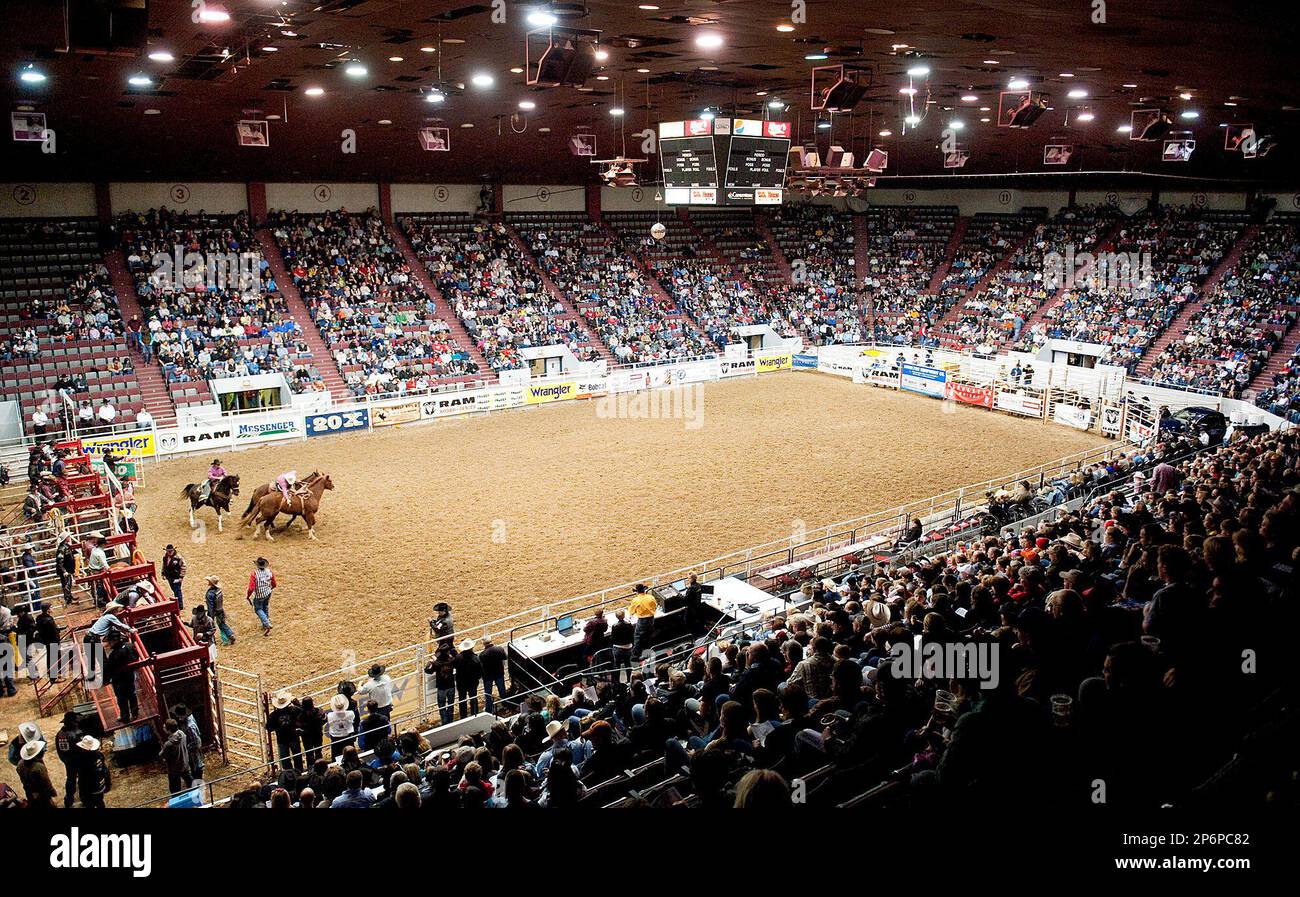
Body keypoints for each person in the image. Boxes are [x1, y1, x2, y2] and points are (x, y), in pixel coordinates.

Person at [103, 632, 139, 724]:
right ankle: (135, 713)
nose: (109, 643)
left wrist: (106, 679)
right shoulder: (129, 646)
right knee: (132, 695)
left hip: (119, 680)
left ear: (114, 641)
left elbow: (109, 669)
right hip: (130, 676)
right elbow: (136, 658)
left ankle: (125, 716)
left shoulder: (114, 654)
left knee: (122, 699)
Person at [267, 690, 303, 771]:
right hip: (293, 737)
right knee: (297, 757)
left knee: (285, 760)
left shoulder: (274, 715)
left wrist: (277, 728)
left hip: (282, 739)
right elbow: (303, 711)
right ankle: (299, 772)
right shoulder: (293, 710)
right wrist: (297, 703)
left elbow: (269, 727)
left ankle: (288, 775)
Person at [16, 739, 58, 809]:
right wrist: (52, 791)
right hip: (41, 794)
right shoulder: (38, 767)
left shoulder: (20, 763)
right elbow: (46, 782)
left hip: (28, 791)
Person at [54, 711, 81, 808]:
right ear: (71, 723)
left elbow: (60, 751)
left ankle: (69, 800)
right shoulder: (70, 735)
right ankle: (75, 798)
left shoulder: (60, 734)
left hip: (68, 761)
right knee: (77, 779)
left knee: (71, 779)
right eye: (75, 722)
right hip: (75, 761)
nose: (77, 723)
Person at [76, 735, 111, 808]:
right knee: (100, 802)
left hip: (89, 790)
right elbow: (105, 770)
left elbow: (82, 780)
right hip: (100, 786)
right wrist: (107, 784)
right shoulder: (99, 755)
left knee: (90, 805)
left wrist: (82, 794)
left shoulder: (82, 761)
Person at [160, 719, 192, 795]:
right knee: (189, 781)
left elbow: (162, 755)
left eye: (165, 727)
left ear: (169, 730)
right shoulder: (182, 734)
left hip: (174, 769)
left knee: (175, 789)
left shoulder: (168, 744)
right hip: (184, 763)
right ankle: (196, 795)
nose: (163, 727)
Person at [247, 557, 275, 635]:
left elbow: (251, 588)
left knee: (258, 609)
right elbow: (274, 583)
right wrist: (270, 588)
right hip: (268, 592)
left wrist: (248, 596)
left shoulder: (254, 574)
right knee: (265, 606)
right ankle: (266, 622)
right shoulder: (269, 571)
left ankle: (266, 623)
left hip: (259, 595)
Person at [454, 638, 482, 719]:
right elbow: (480, 671)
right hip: (472, 682)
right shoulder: (475, 658)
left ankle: (463, 716)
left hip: (461, 682)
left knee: (462, 699)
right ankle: (474, 713)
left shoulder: (458, 657)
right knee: (473, 698)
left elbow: (455, 666)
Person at [629, 583, 658, 660]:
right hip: (651, 619)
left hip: (642, 620)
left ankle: (635, 657)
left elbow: (631, 612)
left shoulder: (636, 600)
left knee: (638, 638)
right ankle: (647, 653)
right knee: (648, 636)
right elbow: (655, 606)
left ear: (637, 592)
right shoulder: (651, 597)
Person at [204, 574, 235, 645]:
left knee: (210, 627)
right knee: (222, 624)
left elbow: (210, 606)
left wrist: (210, 616)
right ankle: (230, 634)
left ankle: (212, 640)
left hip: (214, 611)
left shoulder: (210, 594)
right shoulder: (218, 590)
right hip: (220, 609)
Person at [479, 637, 507, 714]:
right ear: (491, 641)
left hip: (488, 676)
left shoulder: (482, 654)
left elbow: (481, 666)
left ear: (484, 644)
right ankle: (505, 704)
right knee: (502, 690)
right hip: (499, 673)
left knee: (488, 693)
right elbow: (505, 657)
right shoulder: (499, 649)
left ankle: (489, 709)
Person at [327, 693, 356, 759]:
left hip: (336, 737)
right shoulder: (350, 713)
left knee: (336, 755)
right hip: (347, 736)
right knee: (350, 754)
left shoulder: (330, 715)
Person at [609, 610, 634, 683]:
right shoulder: (629, 624)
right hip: (628, 647)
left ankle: (617, 683)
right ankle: (630, 681)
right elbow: (632, 635)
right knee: (628, 664)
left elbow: (612, 637)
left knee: (617, 666)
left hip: (618, 648)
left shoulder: (614, 626)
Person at [161, 544, 186, 610]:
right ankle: (178, 604)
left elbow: (183, 567)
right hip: (169, 577)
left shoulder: (178, 558)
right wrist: (163, 573)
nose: (169, 552)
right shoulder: (165, 558)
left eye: (171, 551)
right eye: (168, 551)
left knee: (177, 591)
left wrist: (181, 577)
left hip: (176, 577)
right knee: (174, 590)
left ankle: (180, 606)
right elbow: (164, 566)